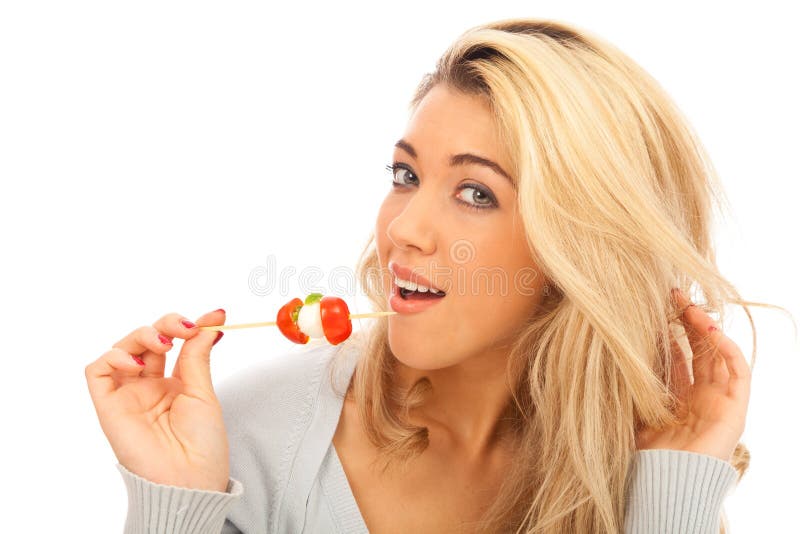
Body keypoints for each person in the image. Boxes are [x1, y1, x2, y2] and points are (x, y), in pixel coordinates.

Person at [85, 17, 774, 533]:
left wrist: (676, 491)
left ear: (580, 248)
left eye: (477, 192)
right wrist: (176, 503)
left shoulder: (641, 464)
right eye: (405, 175)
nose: (405, 228)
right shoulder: (251, 438)